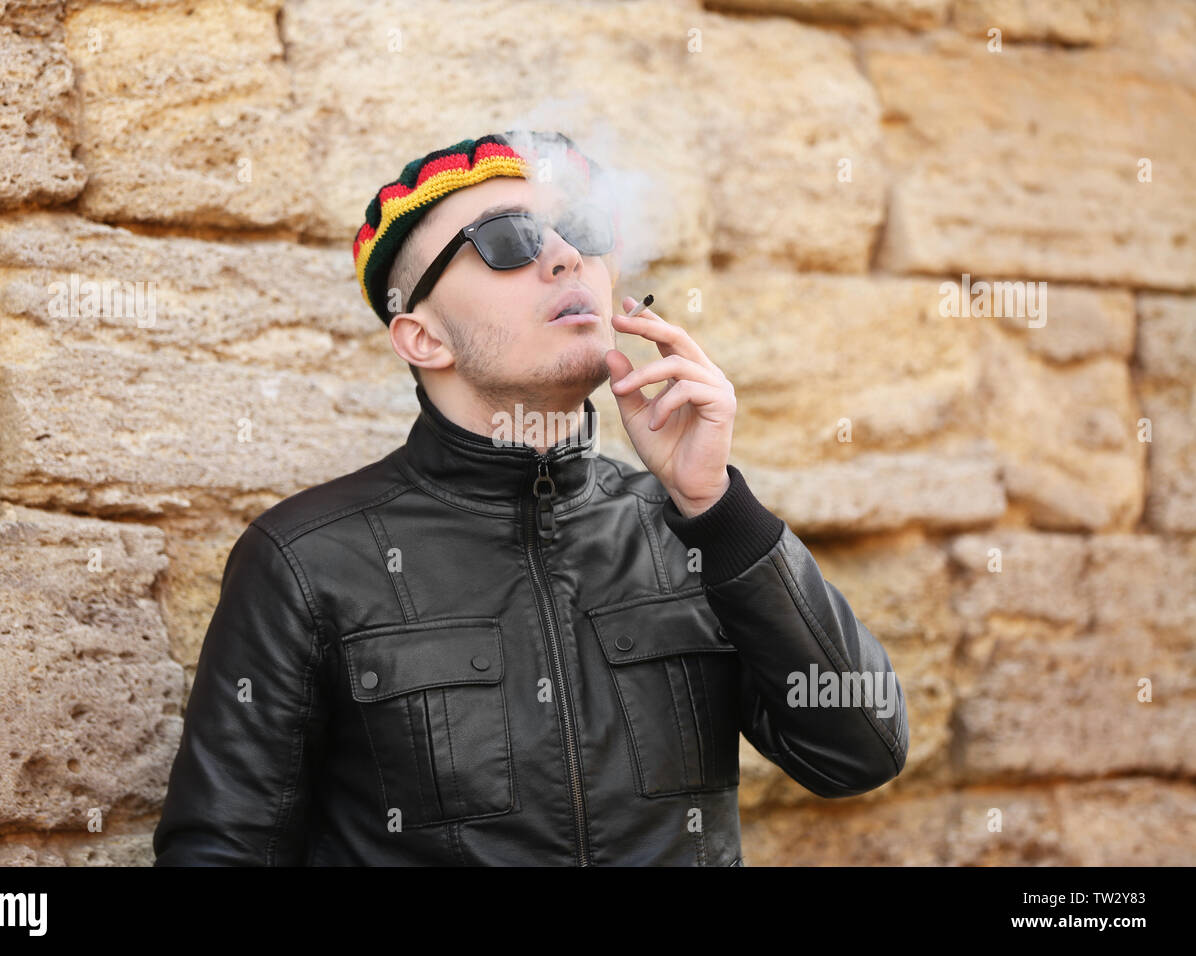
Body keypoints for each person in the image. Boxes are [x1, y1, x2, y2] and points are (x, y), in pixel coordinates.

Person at [152, 130, 908, 866]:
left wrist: (715, 507)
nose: (564, 255)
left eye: (577, 228)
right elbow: (223, 849)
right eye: (508, 239)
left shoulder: (691, 529)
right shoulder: (306, 559)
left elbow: (862, 753)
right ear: (423, 339)